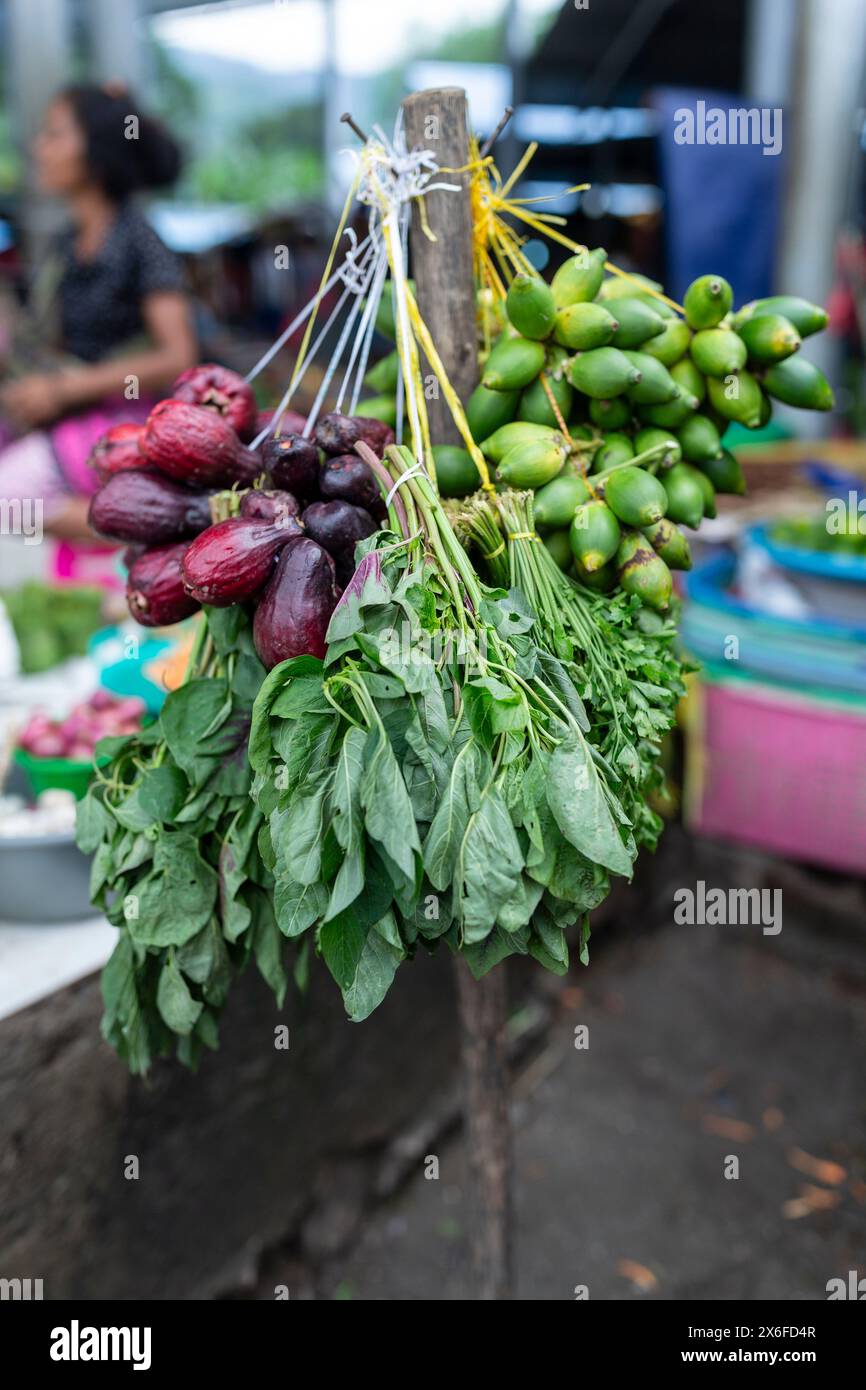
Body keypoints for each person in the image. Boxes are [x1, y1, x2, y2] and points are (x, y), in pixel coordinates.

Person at [0, 83, 197, 583]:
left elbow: (178, 355)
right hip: (80, 413)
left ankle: (158, 524)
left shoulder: (138, 237)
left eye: (54, 134)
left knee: (8, 498)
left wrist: (62, 389)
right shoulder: (67, 244)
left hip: (129, 413)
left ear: (96, 150)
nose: (39, 147)